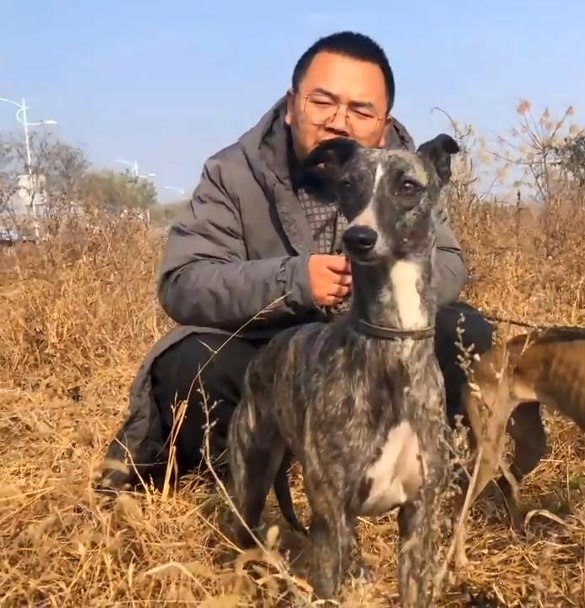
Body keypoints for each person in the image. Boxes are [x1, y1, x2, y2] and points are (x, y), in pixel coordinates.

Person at [92, 31, 546, 494]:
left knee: (464, 331)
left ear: (384, 124)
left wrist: (384, 286)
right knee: (190, 361)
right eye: (323, 102)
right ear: (292, 105)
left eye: (360, 110)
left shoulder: (410, 173)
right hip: (276, 350)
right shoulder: (232, 172)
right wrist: (293, 281)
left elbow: (448, 262)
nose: (338, 122)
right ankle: (257, 472)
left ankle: (414, 462)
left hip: (378, 341)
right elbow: (183, 281)